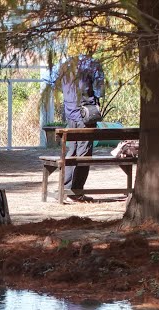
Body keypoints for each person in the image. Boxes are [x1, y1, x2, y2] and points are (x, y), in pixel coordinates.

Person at [57, 55, 106, 202]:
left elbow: (57, 85)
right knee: (84, 152)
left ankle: (66, 187)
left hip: (70, 112)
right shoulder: (92, 64)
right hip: (86, 113)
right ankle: (76, 191)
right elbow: (100, 90)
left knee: (72, 150)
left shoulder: (65, 65)